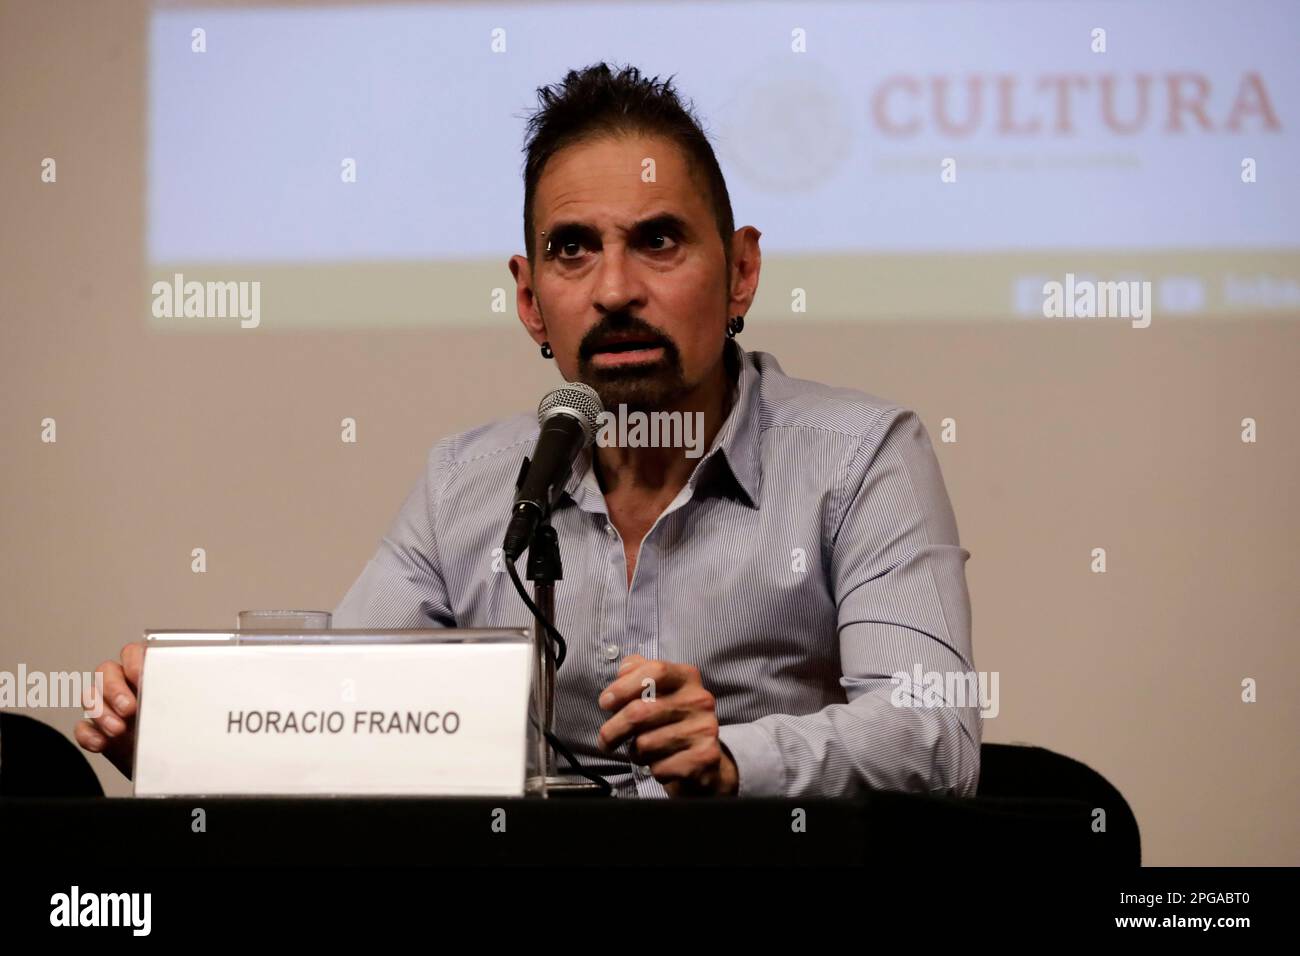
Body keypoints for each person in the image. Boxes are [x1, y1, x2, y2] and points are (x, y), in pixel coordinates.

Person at [76, 62, 980, 799]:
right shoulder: (469, 485)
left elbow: (936, 734)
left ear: (740, 272)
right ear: (527, 297)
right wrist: (184, 740)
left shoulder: (859, 457)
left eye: (659, 241)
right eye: (572, 249)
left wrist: (740, 758)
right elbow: (333, 724)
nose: (615, 289)